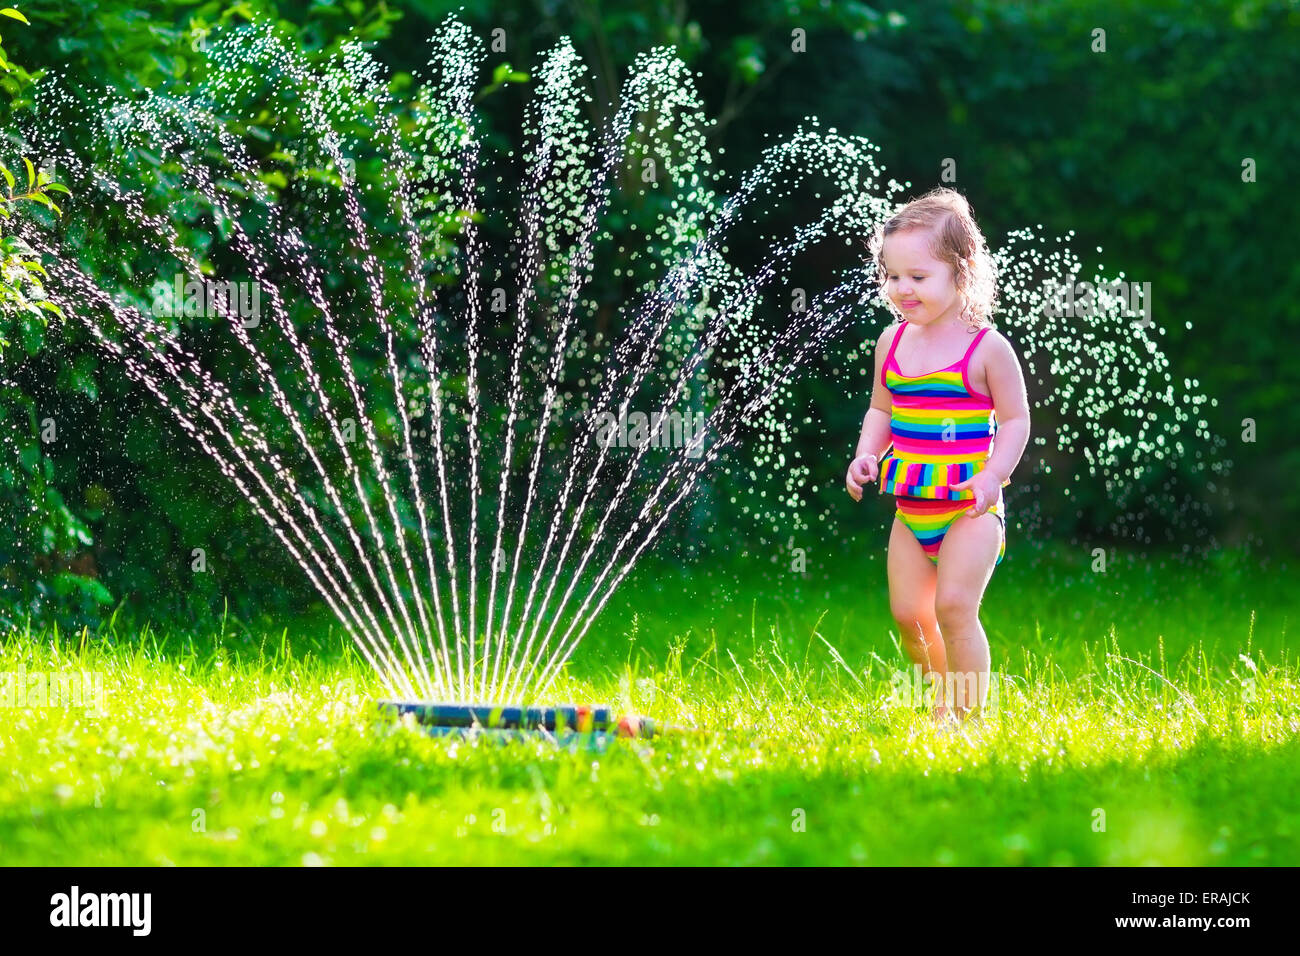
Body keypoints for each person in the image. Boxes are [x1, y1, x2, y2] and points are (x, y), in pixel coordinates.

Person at [845, 188, 1030, 728]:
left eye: (918, 277)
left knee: (953, 608)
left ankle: (968, 718)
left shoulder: (986, 348)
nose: (902, 289)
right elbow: (882, 408)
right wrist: (865, 455)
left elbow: (1016, 420)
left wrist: (994, 476)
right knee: (910, 616)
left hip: (969, 511)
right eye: (892, 276)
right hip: (912, 507)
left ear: (961, 272)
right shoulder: (892, 342)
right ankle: (943, 698)